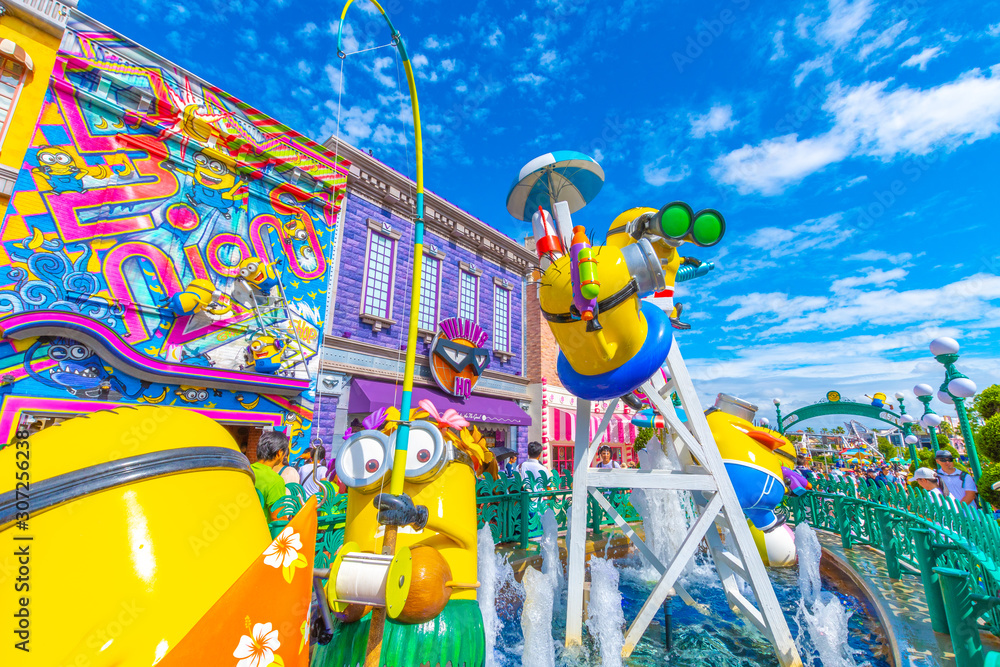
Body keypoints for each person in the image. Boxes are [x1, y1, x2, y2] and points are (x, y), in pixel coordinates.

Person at [252, 431, 288, 515]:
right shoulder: (275, 480)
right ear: (279, 453)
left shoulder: (245, 470)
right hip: (261, 527)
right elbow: (278, 520)